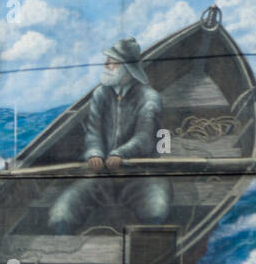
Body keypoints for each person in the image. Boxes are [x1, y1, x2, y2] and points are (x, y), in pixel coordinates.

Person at [47, 37, 171, 233]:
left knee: (156, 212)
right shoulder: (100, 95)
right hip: (103, 176)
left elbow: (145, 138)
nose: (105, 66)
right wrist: (94, 154)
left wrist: (120, 154)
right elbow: (93, 133)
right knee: (60, 215)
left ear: (127, 70)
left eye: (111, 62)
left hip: (140, 176)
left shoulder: (149, 98)